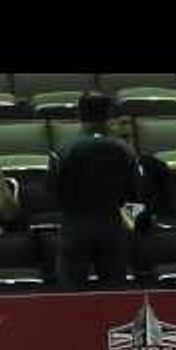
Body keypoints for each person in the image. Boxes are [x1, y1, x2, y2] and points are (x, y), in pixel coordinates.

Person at [47, 92, 143, 289]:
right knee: (114, 297)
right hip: (112, 228)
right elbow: (137, 195)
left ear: (79, 114)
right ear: (108, 114)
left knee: (72, 297)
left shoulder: (63, 150)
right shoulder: (126, 150)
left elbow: (50, 190)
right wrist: (127, 226)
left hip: (75, 227)